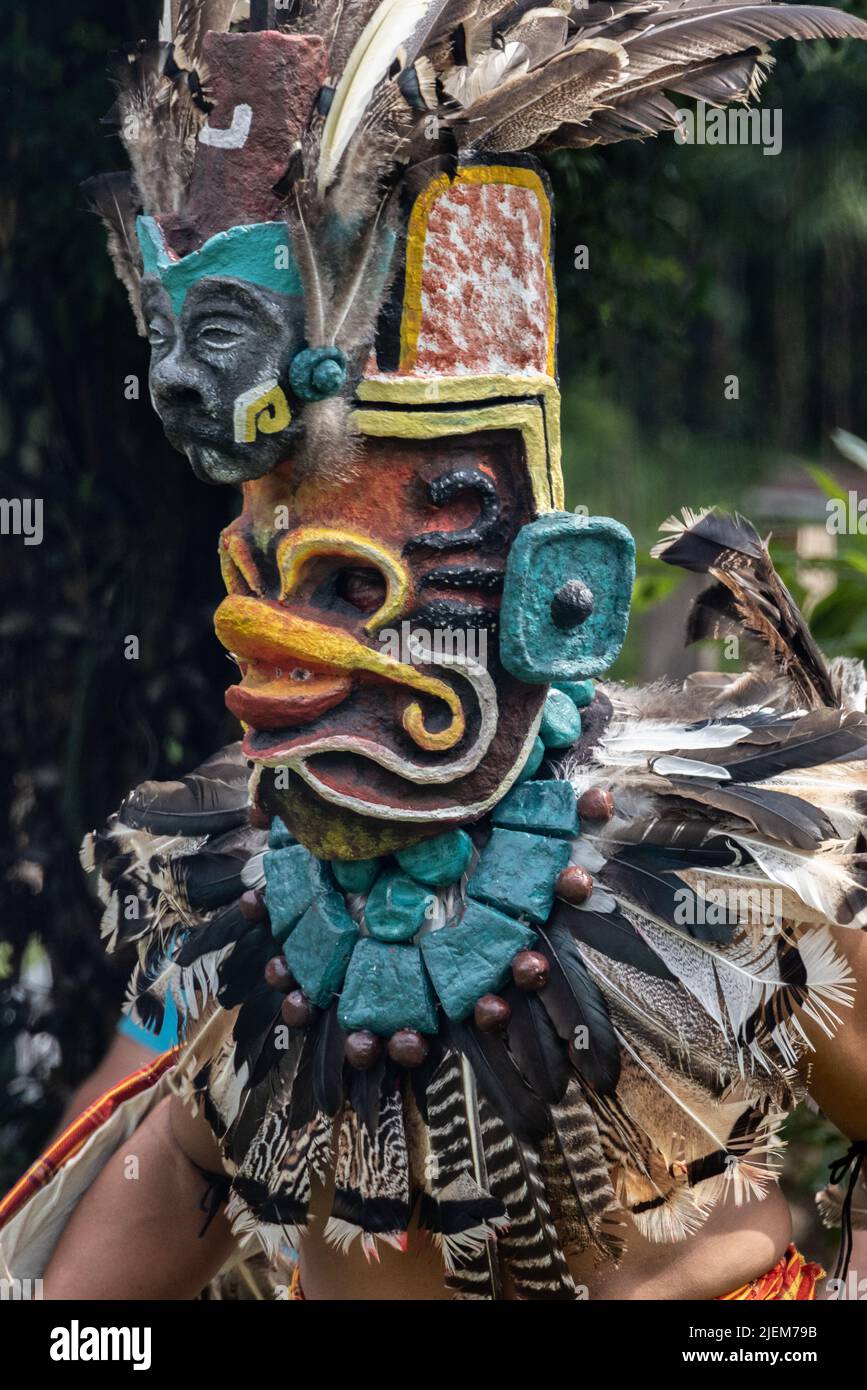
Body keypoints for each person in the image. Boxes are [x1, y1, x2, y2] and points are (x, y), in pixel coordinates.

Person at [3, 1, 867, 1302]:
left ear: (554, 592)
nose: (279, 651)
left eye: (351, 586)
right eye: (259, 580)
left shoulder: (744, 870)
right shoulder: (257, 949)